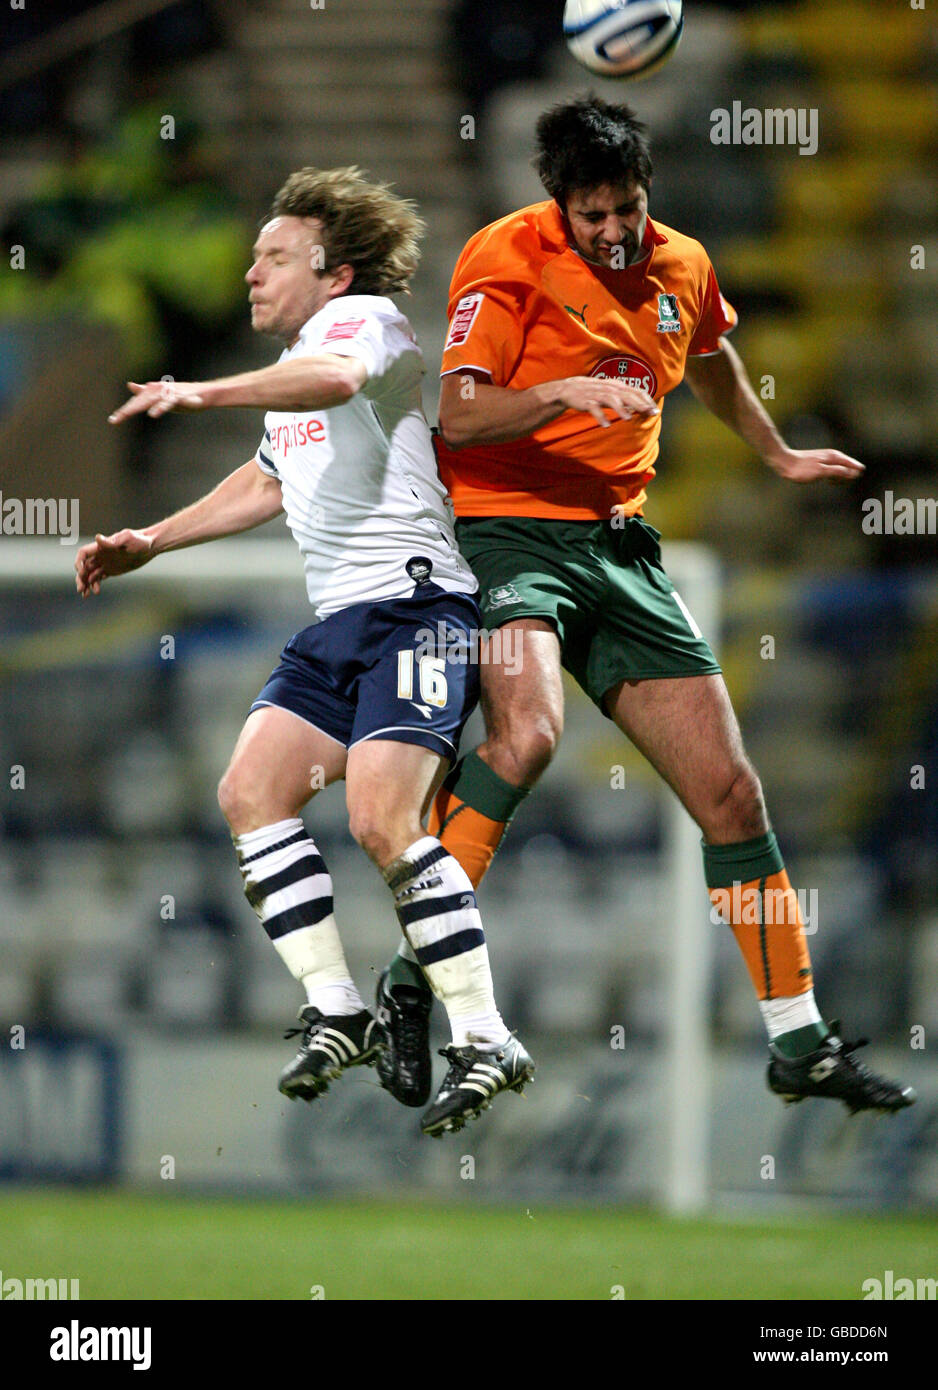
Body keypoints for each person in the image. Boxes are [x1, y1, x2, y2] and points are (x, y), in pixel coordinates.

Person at [373, 99, 915, 1118]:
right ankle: (411, 981)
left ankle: (796, 1041)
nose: (613, 230)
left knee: (731, 796)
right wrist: (568, 391)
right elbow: (460, 408)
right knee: (526, 739)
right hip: (503, 532)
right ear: (556, 206)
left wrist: (774, 451)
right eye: (592, 214)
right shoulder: (506, 256)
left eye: (625, 206)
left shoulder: (682, 264)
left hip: (616, 548)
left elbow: (707, 355)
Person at [74, 165, 534, 1138]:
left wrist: (201, 391)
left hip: (418, 613)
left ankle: (486, 1035)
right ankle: (336, 1009)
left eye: (274, 255)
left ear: (334, 272)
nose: (251, 272)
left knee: (379, 816)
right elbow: (266, 482)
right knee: (250, 791)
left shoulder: (362, 324)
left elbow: (329, 380)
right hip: (341, 624)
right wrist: (146, 540)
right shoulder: (295, 373)